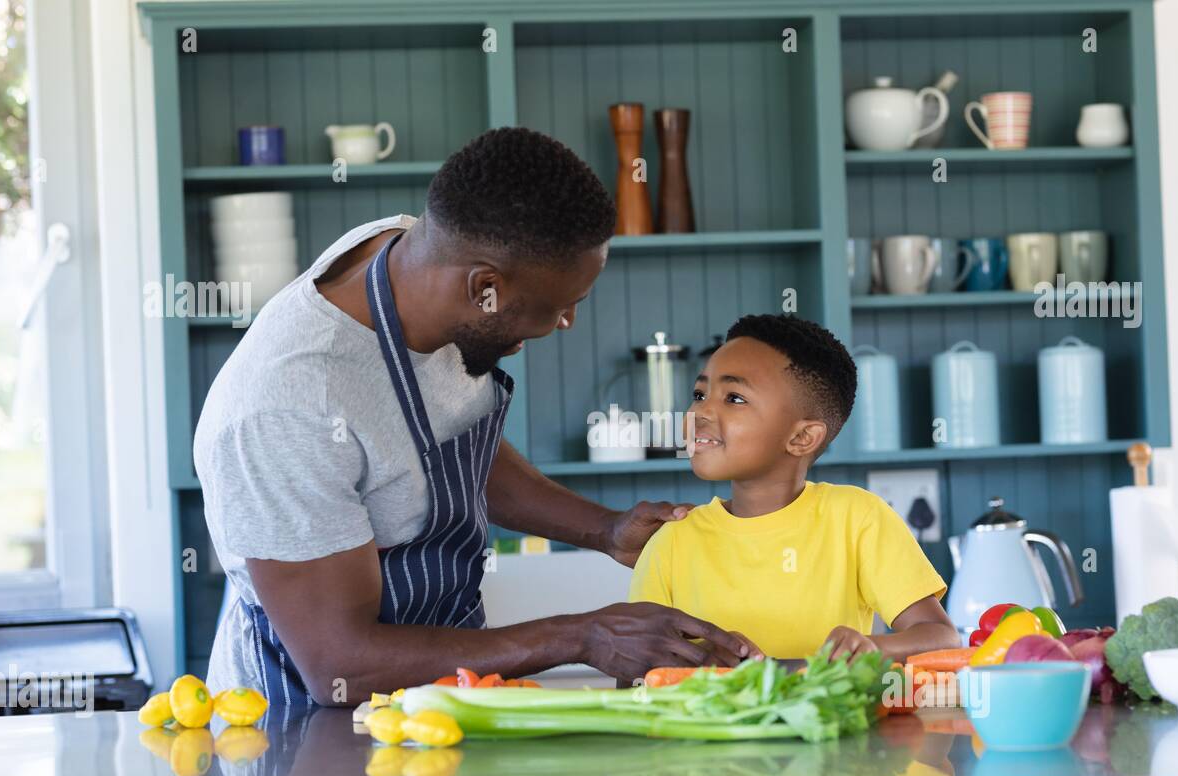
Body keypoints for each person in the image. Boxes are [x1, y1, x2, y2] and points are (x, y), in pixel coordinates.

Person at [195, 128, 758, 711]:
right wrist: (582, 635)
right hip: (303, 731)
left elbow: (449, 452)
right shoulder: (288, 409)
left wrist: (606, 531)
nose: (565, 322)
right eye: (561, 305)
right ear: (485, 287)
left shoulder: (416, 261)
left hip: (437, 701)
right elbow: (342, 664)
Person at [628, 313, 959, 662]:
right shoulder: (671, 542)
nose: (700, 412)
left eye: (734, 398)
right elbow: (631, 674)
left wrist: (874, 647)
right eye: (699, 394)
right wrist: (698, 659)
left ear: (802, 437)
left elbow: (942, 638)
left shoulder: (857, 518)